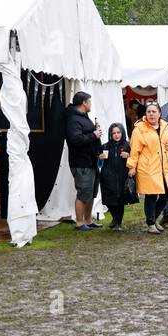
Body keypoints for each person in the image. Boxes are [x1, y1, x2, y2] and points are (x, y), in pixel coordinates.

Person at [127, 101, 168, 234]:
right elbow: (134, 150)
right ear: (145, 114)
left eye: (154, 111)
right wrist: (132, 166)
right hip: (148, 167)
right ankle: (150, 223)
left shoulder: (165, 126)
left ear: (159, 113)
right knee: (151, 195)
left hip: (164, 167)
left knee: (167, 193)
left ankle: (154, 218)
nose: (151, 114)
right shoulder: (140, 129)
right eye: (149, 111)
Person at [64, 90, 103, 231]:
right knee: (83, 192)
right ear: (84, 103)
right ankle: (79, 222)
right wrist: (93, 135)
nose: (91, 104)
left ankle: (88, 219)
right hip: (81, 162)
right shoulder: (73, 119)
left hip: (91, 161)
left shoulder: (84, 117)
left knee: (92, 192)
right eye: (90, 101)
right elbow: (75, 139)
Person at [98, 122, 136, 231]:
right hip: (108, 177)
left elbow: (135, 159)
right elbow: (99, 164)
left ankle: (117, 222)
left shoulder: (128, 146)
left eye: (118, 132)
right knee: (109, 200)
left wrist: (128, 156)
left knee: (120, 201)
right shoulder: (105, 146)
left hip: (122, 177)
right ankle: (115, 218)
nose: (116, 135)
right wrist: (99, 158)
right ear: (110, 134)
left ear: (122, 133)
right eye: (114, 133)